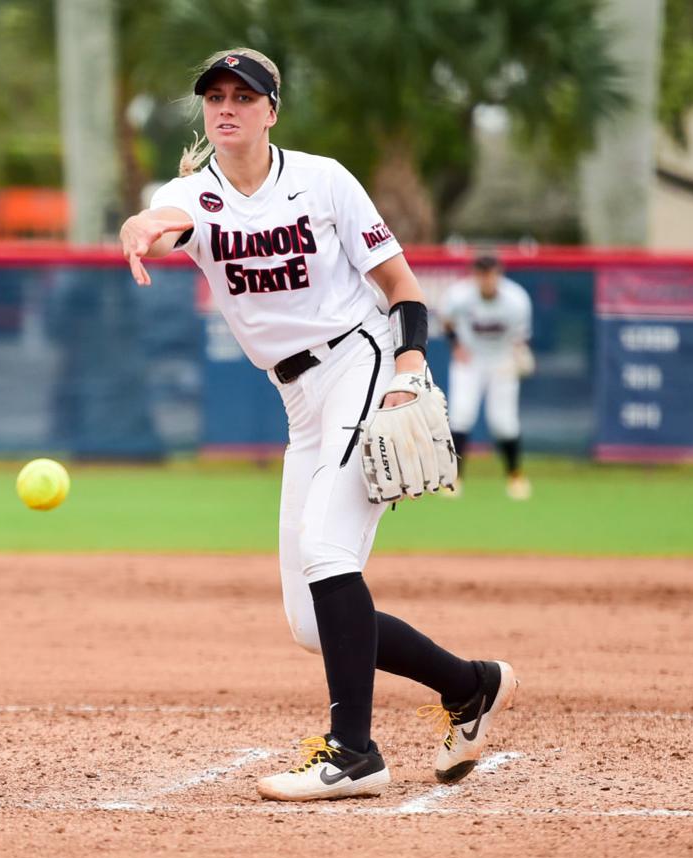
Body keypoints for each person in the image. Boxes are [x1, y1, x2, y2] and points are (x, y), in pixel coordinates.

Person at [120, 48, 518, 802]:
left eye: (245, 95)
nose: (227, 107)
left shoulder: (323, 180)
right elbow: (167, 219)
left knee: (326, 551)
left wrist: (408, 368)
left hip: (359, 360)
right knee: (312, 619)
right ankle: (472, 685)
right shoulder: (194, 195)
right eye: (215, 97)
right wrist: (142, 226)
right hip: (298, 399)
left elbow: (401, 286)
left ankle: (354, 752)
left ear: (273, 110)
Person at [439, 252, 535, 500]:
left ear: (498, 275)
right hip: (470, 361)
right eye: (481, 275)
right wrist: (456, 345)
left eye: (490, 275)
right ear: (475, 276)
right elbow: (446, 320)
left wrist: (519, 355)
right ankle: (454, 479)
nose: (486, 280)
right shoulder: (460, 295)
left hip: (502, 361)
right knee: (461, 415)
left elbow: (520, 337)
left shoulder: (516, 300)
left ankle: (515, 477)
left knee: (503, 421)